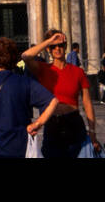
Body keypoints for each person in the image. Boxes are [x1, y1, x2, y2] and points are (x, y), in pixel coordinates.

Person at [23, 30, 99, 158]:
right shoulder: (43, 69)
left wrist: (92, 132)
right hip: (52, 124)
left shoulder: (78, 72)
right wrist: (49, 41)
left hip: (73, 123)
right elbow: (25, 56)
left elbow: (87, 103)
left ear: (65, 47)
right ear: (48, 49)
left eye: (61, 45)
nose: (57, 49)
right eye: (53, 47)